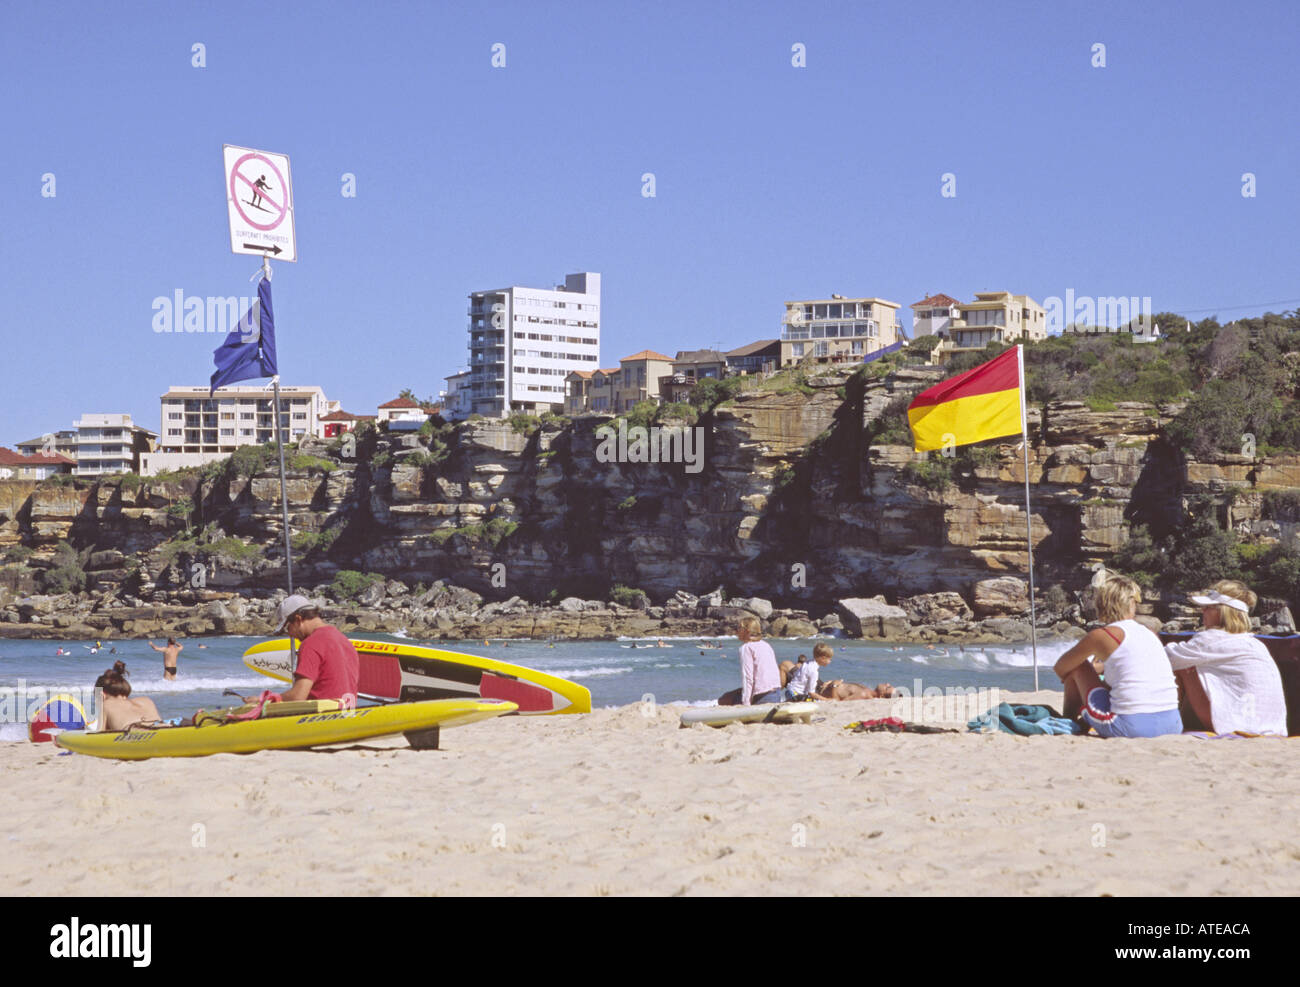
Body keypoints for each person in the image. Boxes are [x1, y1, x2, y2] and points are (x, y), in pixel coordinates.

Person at [1054, 575, 1181, 738]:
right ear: (1131, 604)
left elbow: (1061, 668)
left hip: (1133, 728)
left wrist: (1089, 673)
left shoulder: (1103, 635)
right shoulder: (1151, 634)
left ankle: (1068, 722)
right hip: (1173, 724)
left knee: (1077, 665)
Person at [1164, 581, 1287, 735]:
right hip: (1272, 727)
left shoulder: (1212, 639)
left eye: (1209, 607)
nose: (1203, 611)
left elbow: (1166, 658)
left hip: (1239, 726)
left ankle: (1165, 724)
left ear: (1223, 612)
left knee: (1183, 667)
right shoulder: (1255, 643)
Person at [269, 594, 359, 704]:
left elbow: (298, 696)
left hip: (321, 717)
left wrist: (265, 699)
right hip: (347, 714)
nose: (290, 635)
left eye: (288, 628)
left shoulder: (311, 644)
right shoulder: (344, 640)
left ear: (298, 619)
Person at [717, 616, 784, 705]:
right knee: (738, 691)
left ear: (747, 631)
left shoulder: (746, 648)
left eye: (739, 628)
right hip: (776, 694)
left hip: (762, 696)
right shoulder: (766, 645)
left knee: (723, 699)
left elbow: (748, 677)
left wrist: (746, 703)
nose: (737, 631)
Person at [94, 661, 161, 731]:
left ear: (101, 695)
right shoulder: (146, 700)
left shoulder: (105, 705)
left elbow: (99, 735)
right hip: (165, 730)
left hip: (139, 735)